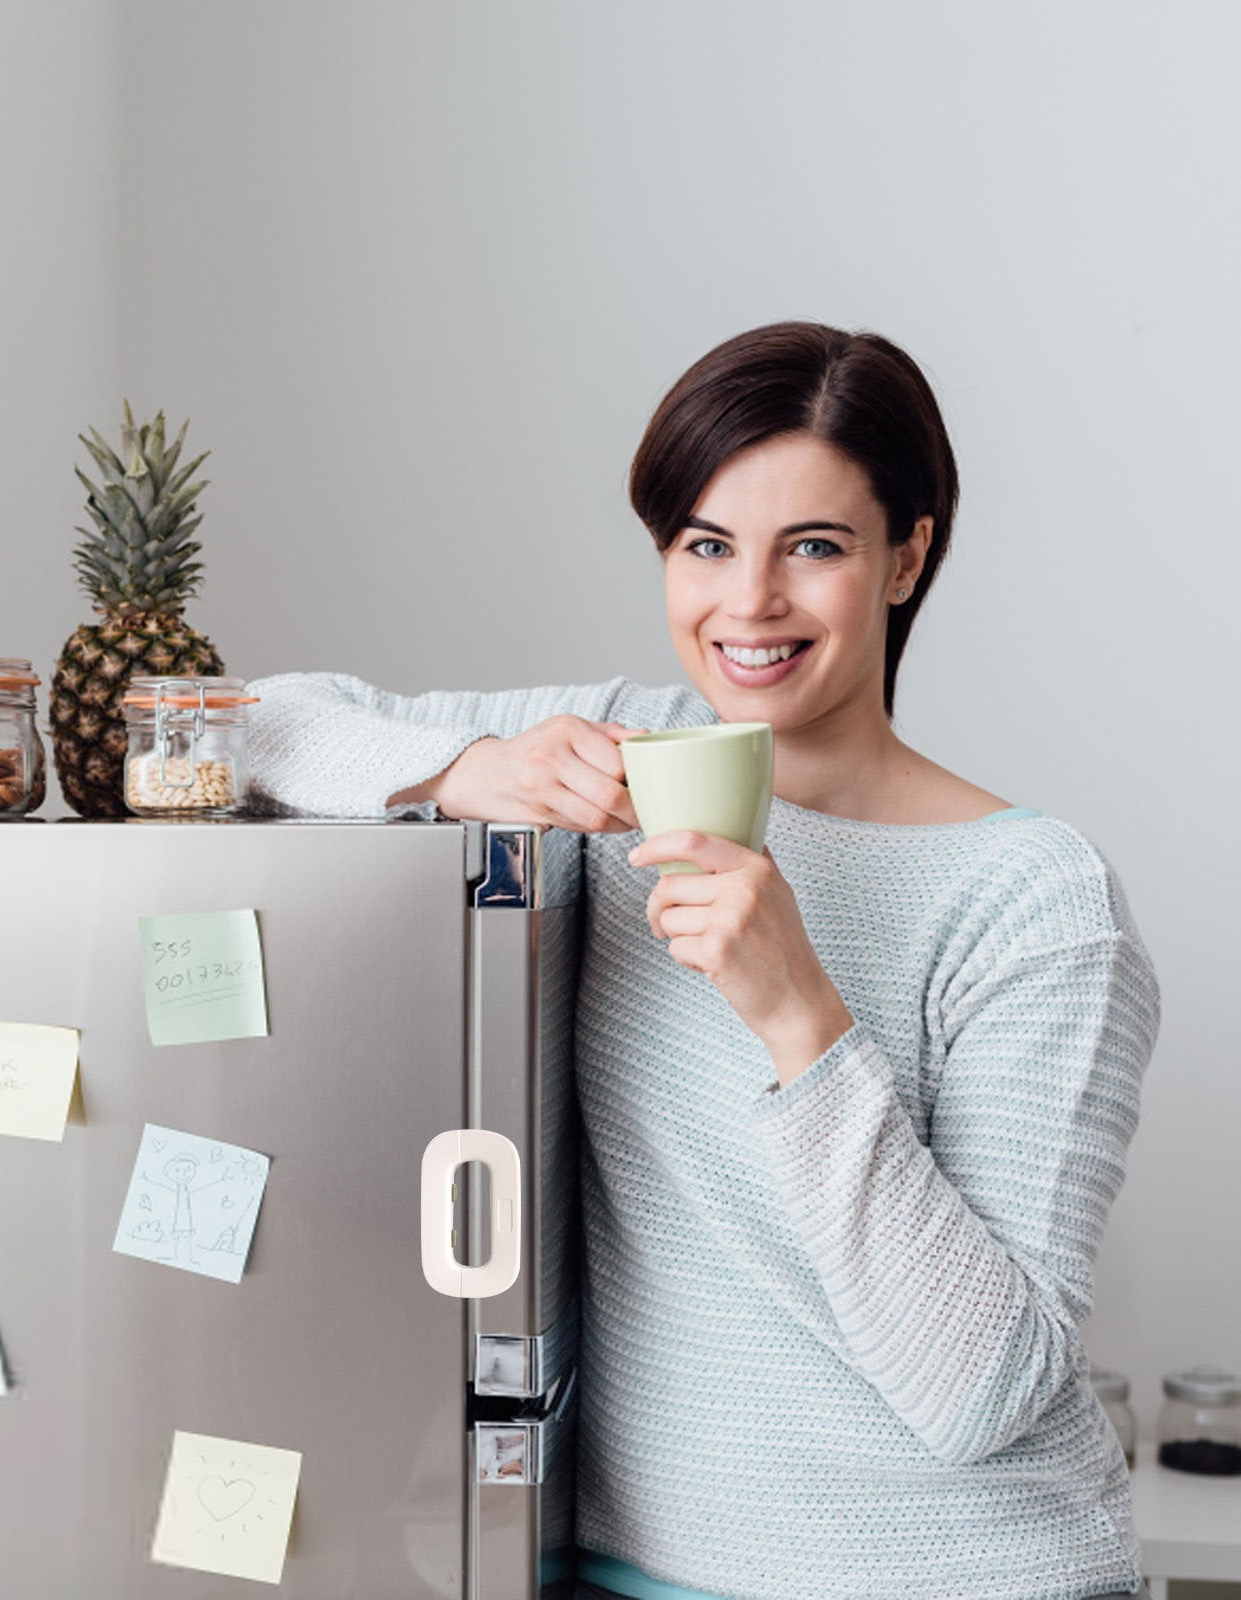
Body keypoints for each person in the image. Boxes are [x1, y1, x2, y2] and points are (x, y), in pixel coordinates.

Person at [243, 321, 1160, 1600]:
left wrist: (800, 1017)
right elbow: (245, 725)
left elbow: (984, 1389)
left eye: (816, 548)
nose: (749, 603)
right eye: (706, 546)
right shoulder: (635, 754)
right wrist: (463, 769)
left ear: (907, 557)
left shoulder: (1037, 901)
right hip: (632, 1567)